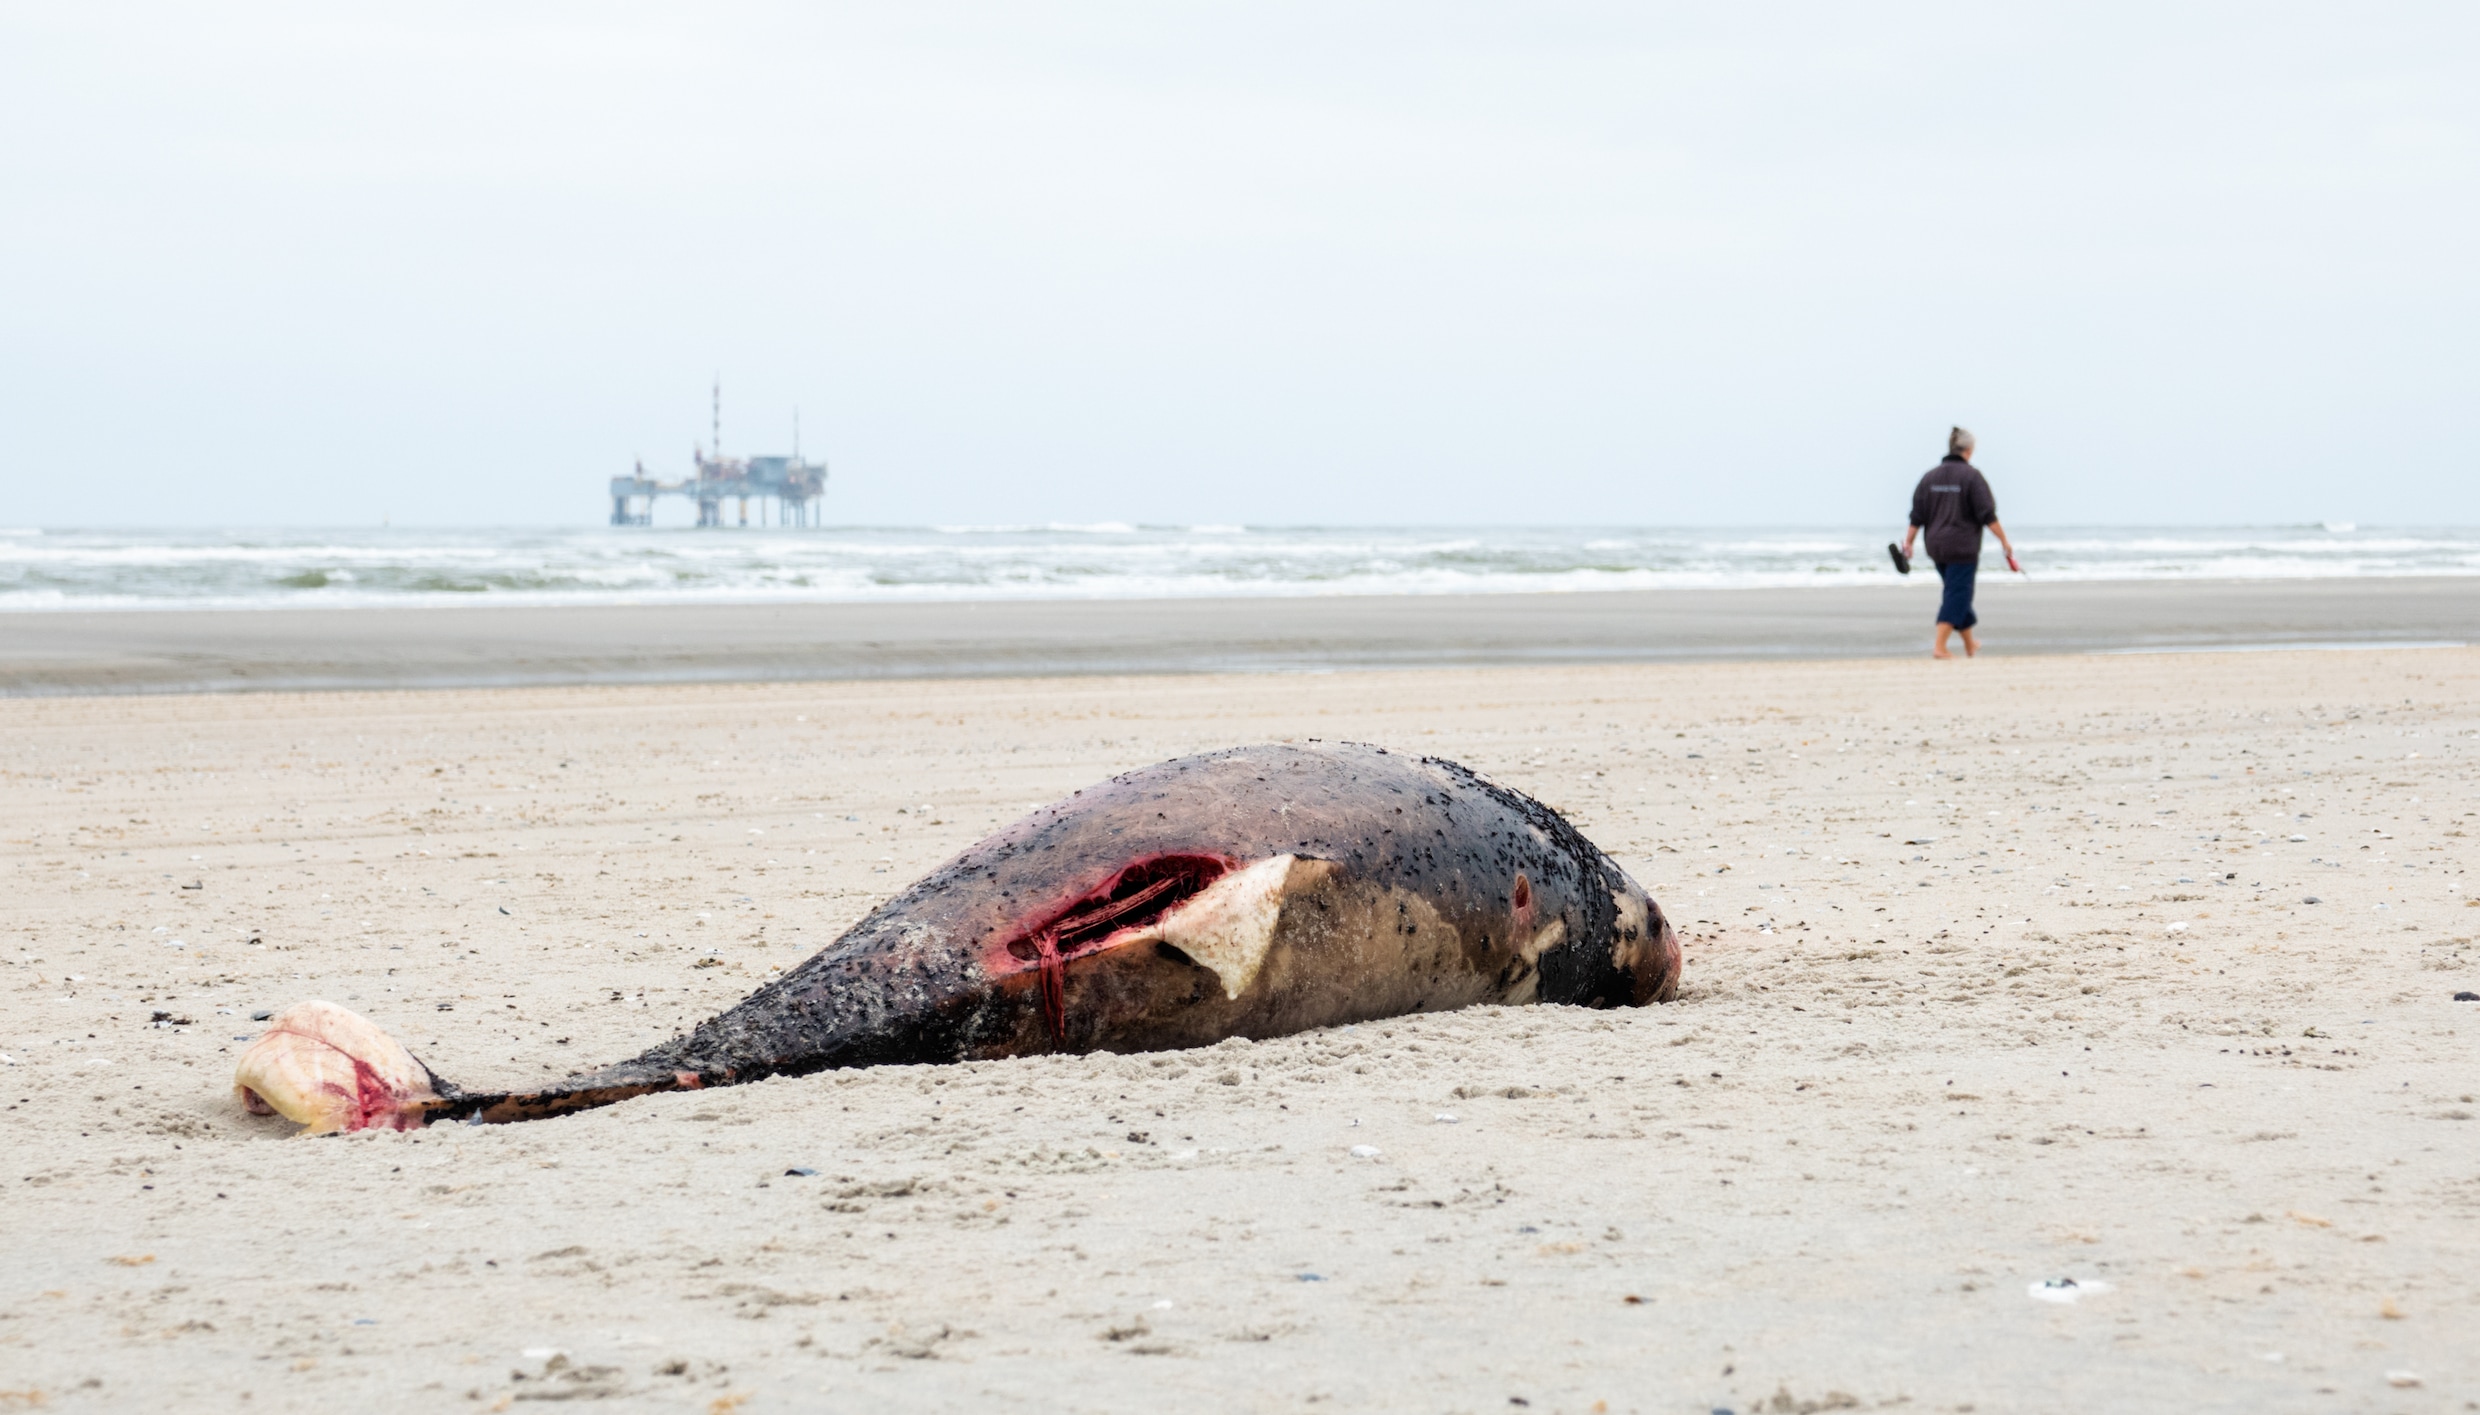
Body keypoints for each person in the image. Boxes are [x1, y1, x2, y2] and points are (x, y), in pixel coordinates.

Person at [1900, 427, 2020, 659]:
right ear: (1969, 450)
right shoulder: (1972, 477)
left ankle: (1969, 645)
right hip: (1962, 546)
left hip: (1936, 546)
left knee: (1955, 591)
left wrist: (1909, 542)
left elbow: (1917, 515)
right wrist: (2004, 541)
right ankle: (1940, 647)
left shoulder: (1930, 477)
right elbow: (1987, 514)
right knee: (1958, 594)